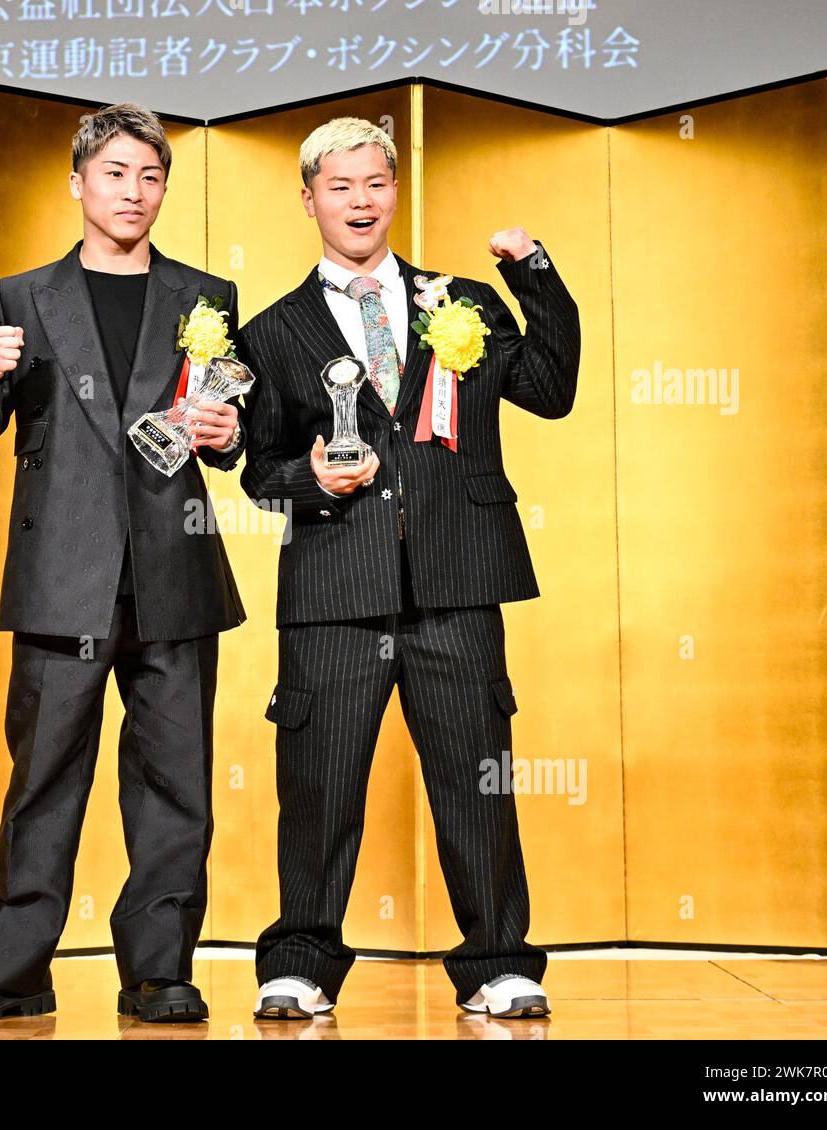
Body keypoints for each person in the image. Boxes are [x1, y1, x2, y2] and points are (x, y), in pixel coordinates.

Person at [234, 116, 581, 1020]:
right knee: (318, 785)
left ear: (397, 192)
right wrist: (306, 477)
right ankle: (300, 961)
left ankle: (500, 960)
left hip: (458, 582)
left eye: (377, 184)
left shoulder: (456, 298)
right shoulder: (273, 330)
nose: (361, 202)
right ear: (307, 199)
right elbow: (257, 468)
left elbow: (550, 387)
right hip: (333, 591)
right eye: (340, 187)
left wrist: (531, 269)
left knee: (477, 778)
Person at [0, 103, 246, 1024]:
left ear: (164, 189)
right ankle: (13, 970)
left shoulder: (205, 297)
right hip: (64, 574)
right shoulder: (22, 298)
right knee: (44, 780)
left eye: (149, 176)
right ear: (77, 185)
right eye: (114, 174)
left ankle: (159, 972)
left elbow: (230, 435)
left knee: (176, 781)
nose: (132, 192)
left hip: (175, 574)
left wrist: (227, 432)